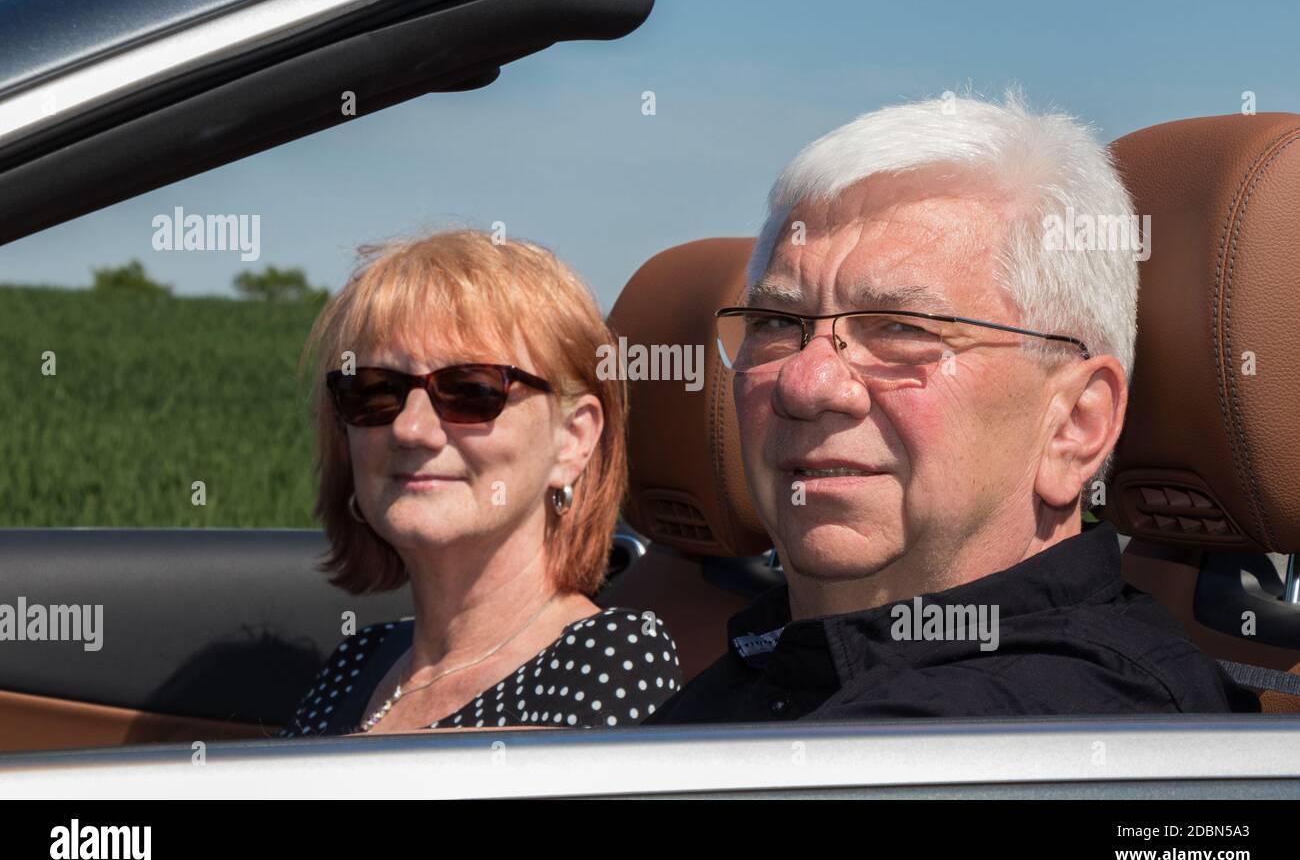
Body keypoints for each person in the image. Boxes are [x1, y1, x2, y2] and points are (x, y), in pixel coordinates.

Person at [648, 93, 1258, 723]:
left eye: (902, 330)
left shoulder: (1054, 734)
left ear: (1075, 424)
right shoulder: (769, 665)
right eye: (777, 321)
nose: (806, 383)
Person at [280, 229, 680, 735]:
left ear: (573, 440)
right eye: (376, 392)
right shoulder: (359, 662)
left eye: (471, 390)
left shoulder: (608, 659)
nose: (410, 428)